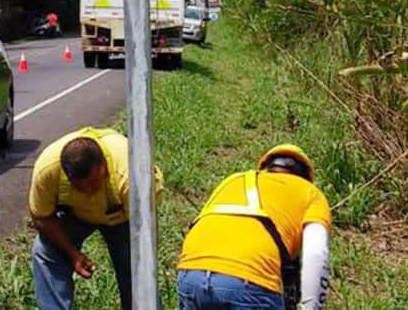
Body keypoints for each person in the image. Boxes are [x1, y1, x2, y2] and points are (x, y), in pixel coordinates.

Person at [177, 145, 331, 310]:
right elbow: (316, 253)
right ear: (305, 176)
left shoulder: (234, 180)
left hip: (191, 274)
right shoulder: (311, 192)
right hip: (250, 282)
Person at [29, 127, 163, 310]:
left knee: (135, 270)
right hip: (78, 214)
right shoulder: (47, 170)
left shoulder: (132, 174)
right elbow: (42, 218)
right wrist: (72, 254)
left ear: (104, 166)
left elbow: (144, 235)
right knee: (45, 251)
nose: (88, 190)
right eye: (79, 186)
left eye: (92, 183)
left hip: (125, 219)